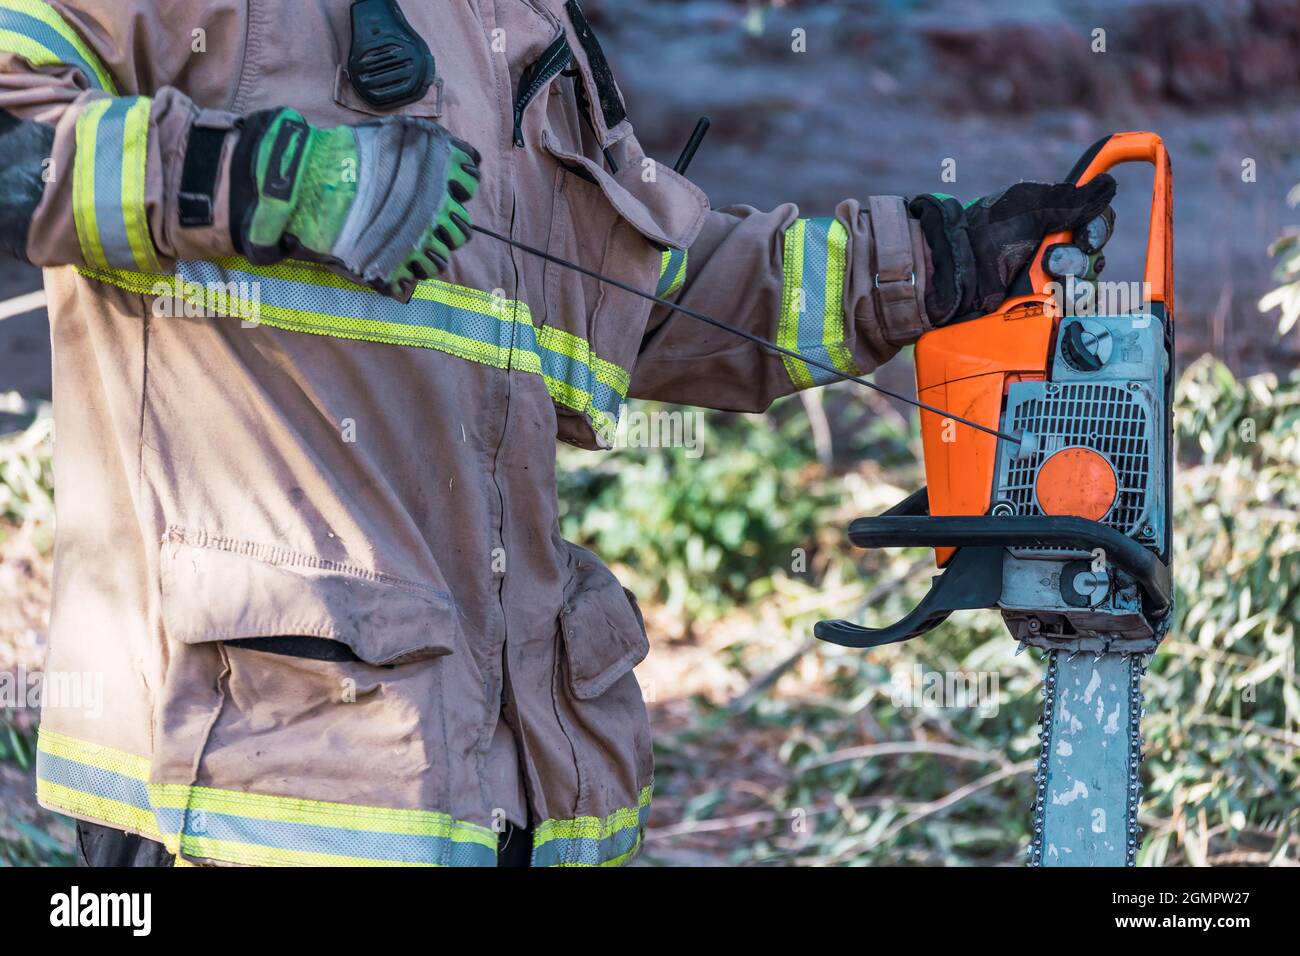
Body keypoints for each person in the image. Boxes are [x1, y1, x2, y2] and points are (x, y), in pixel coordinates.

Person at [0, 0, 1114, 866]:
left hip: (509, 801)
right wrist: (263, 180)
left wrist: (928, 269)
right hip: (248, 804)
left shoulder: (525, 37)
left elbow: (640, 301)